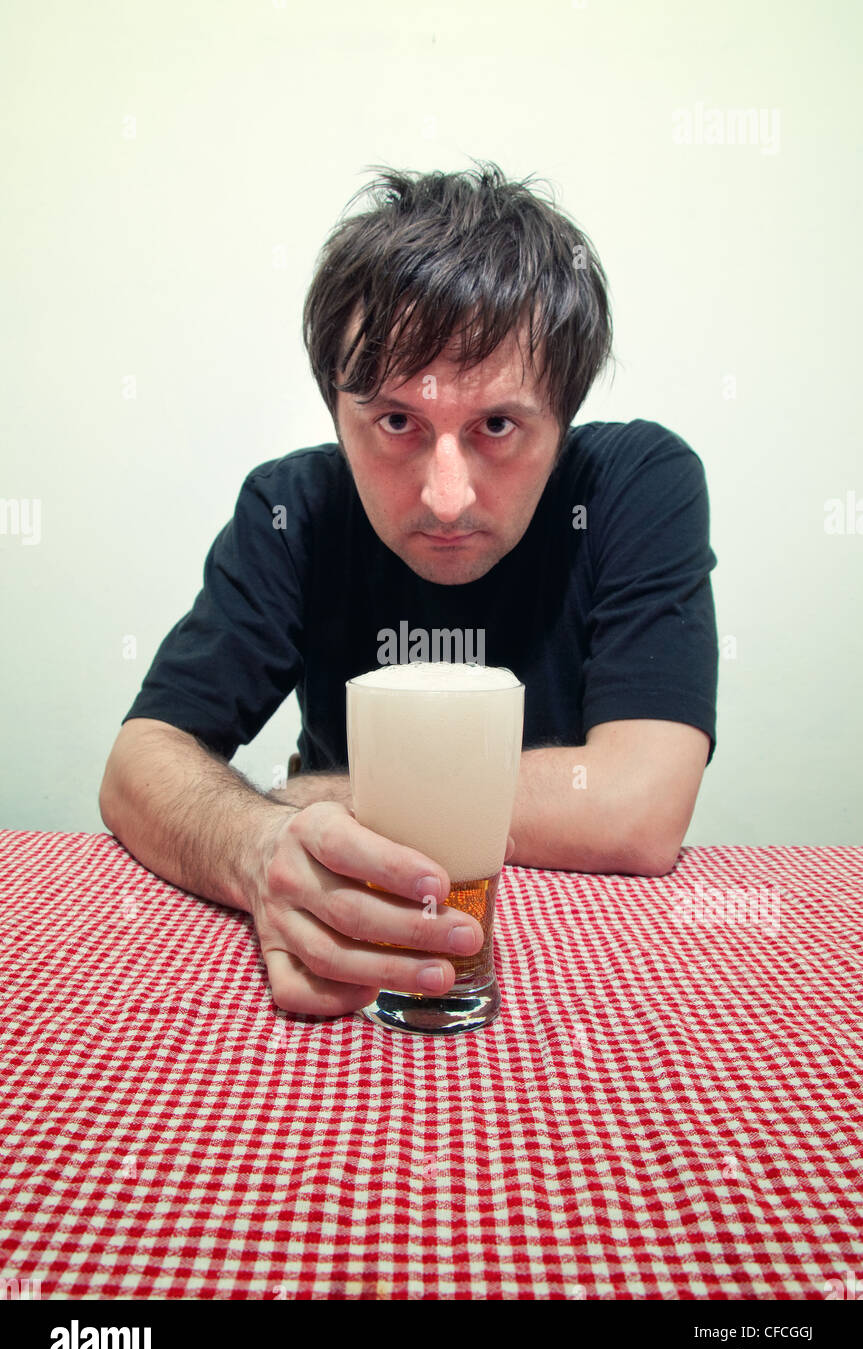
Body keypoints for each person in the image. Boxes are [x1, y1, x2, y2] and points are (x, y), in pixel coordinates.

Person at [100, 160, 718, 1019]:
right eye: (397, 422)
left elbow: (638, 808)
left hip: (586, 992)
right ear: (335, 413)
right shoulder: (292, 508)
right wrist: (254, 842)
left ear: (564, 417)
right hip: (349, 975)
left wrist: (310, 794)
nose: (446, 497)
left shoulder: (634, 484)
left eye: (497, 426)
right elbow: (138, 764)